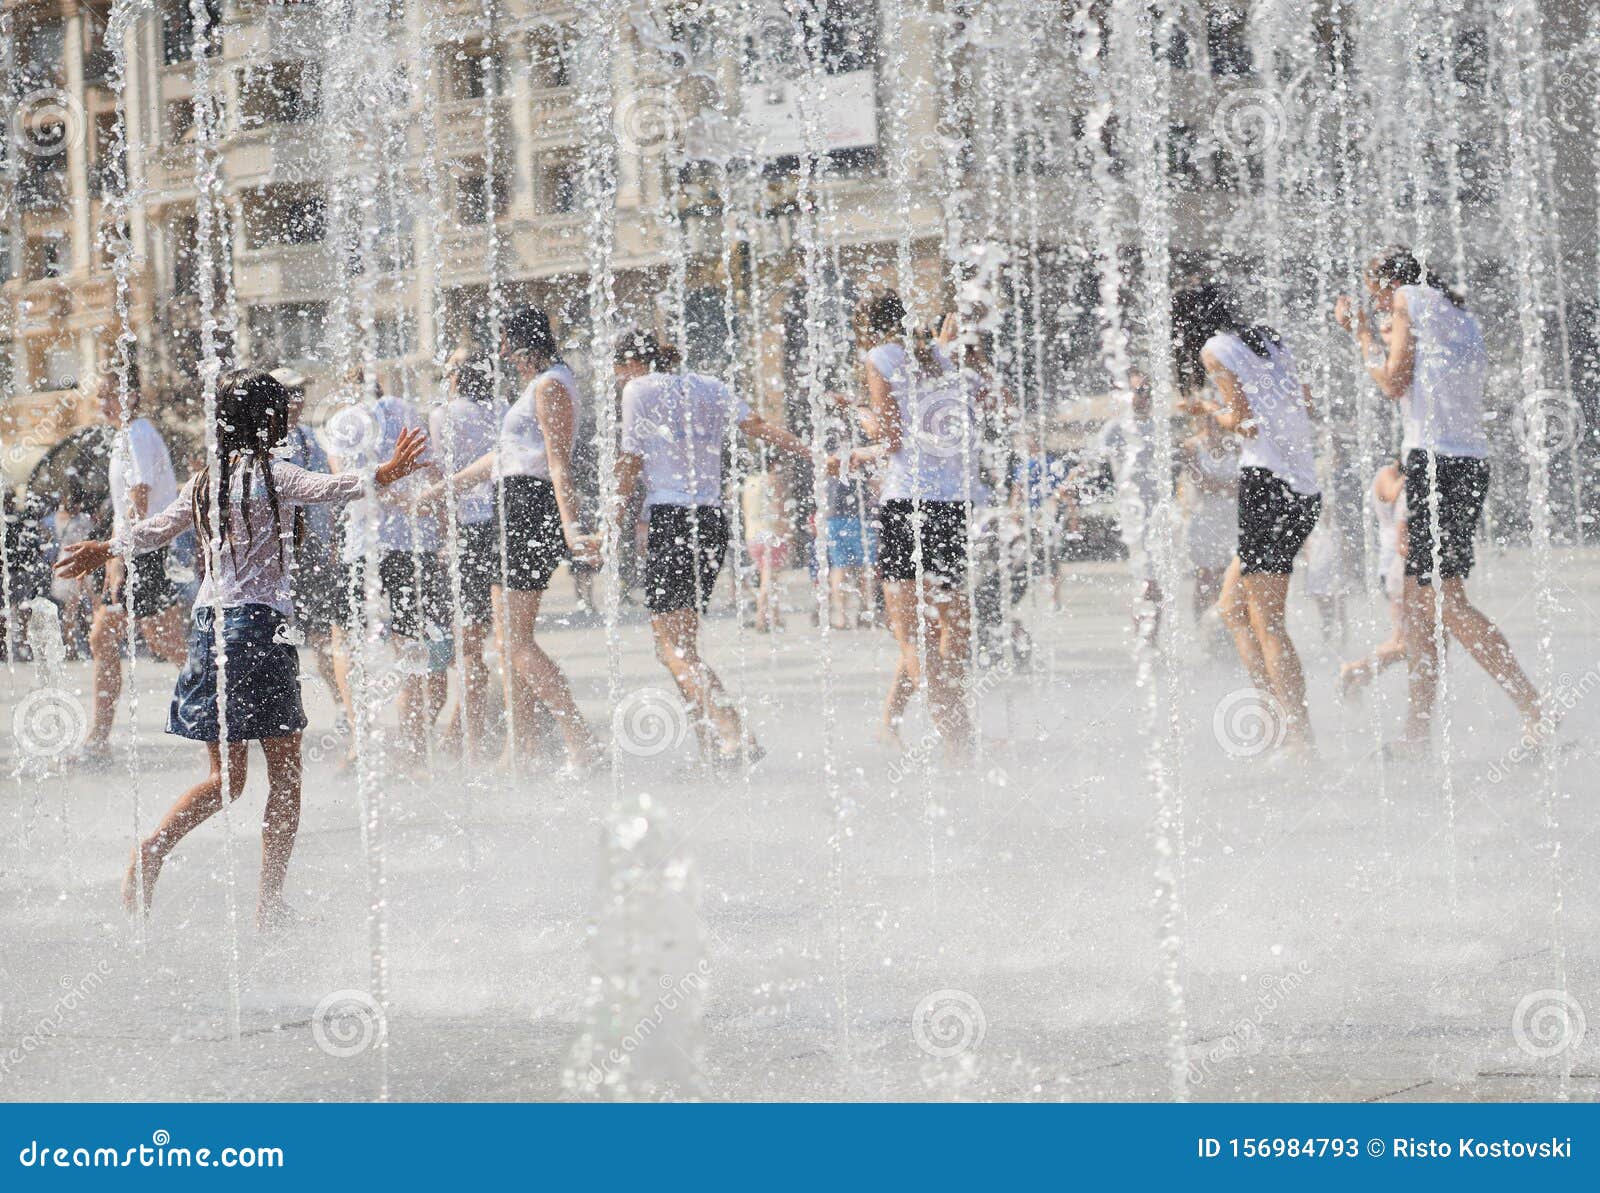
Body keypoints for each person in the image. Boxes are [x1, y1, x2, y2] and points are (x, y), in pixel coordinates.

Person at [55, 370, 428, 928]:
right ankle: (269, 903)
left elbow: (156, 529)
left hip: (209, 626)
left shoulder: (207, 479)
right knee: (285, 774)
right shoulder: (275, 475)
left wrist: (107, 545)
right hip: (259, 628)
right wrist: (388, 472)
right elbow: (332, 488)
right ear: (271, 421)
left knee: (226, 779)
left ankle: (152, 848)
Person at [1336, 247, 1543, 750]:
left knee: (1445, 601)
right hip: (1465, 462)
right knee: (1423, 605)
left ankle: (1536, 711)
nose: (1382, 308)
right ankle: (1417, 734)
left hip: (1435, 465)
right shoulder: (1457, 315)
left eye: (1377, 297)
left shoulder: (1408, 299)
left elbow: (1392, 381)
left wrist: (1362, 334)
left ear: (1389, 285)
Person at [613, 330, 807, 768]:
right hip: (711, 522)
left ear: (632, 363)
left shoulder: (638, 390)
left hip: (671, 520)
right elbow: (756, 426)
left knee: (673, 650)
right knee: (682, 646)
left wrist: (609, 524)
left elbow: (630, 461)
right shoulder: (710, 386)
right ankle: (711, 744)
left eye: (619, 368)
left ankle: (733, 732)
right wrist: (810, 452)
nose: (619, 378)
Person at [434, 308, 601, 770]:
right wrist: (443, 490)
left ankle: (581, 741)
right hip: (514, 505)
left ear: (524, 343)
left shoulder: (550, 384)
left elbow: (557, 460)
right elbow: (503, 455)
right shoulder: (539, 384)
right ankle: (521, 749)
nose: (503, 353)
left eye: (506, 342)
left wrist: (571, 527)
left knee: (515, 642)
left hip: (530, 508)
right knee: (510, 641)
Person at [1174, 283, 1321, 754]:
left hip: (1268, 487)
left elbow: (1242, 419)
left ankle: (1300, 742)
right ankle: (1273, 721)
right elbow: (1306, 403)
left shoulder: (1215, 349)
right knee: (1234, 609)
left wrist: (1204, 409)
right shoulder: (1269, 340)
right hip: (1301, 489)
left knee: (1268, 622)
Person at [848, 291, 984, 762]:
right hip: (953, 505)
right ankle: (895, 724)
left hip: (908, 502)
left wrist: (861, 436)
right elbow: (980, 407)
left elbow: (891, 440)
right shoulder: (946, 361)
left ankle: (958, 738)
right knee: (941, 626)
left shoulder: (880, 356)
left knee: (911, 635)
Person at [326, 369, 448, 767]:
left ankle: (361, 740)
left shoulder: (342, 420)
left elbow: (339, 482)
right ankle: (413, 745)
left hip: (362, 546)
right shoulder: (402, 409)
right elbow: (431, 470)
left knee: (347, 642)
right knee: (411, 641)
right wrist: (439, 525)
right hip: (415, 543)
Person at [84, 371, 189, 759]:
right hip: (137, 550)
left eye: (109, 395)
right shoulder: (125, 436)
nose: (103, 403)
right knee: (105, 638)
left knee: (164, 641)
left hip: (144, 552)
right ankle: (98, 739)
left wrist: (118, 554)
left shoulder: (137, 435)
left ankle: (226, 707)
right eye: (99, 396)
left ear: (131, 396)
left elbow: (139, 498)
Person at [428, 349, 504, 758]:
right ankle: (467, 732)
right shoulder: (503, 407)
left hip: (467, 530)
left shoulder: (445, 415)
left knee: (467, 643)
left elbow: (443, 478)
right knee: (504, 637)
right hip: (502, 526)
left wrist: (443, 535)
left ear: (456, 376)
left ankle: (470, 739)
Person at [1065, 368, 1165, 645]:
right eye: (1136, 391)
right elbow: (1091, 462)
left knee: (1157, 577)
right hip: (1136, 514)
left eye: (1146, 391)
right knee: (1149, 578)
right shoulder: (1117, 427)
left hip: (1162, 513)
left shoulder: (1160, 427)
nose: (1141, 397)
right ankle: (1146, 637)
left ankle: (1150, 636)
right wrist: (1067, 485)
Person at [271, 368, 348, 719]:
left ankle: (342, 710)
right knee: (273, 642)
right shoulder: (261, 443)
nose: (296, 401)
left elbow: (327, 495)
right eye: (289, 394)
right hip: (271, 554)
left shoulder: (308, 440)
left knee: (322, 637)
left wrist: (332, 543)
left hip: (311, 550)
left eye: (300, 393)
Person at [1340, 459, 1409, 695]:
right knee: (1405, 642)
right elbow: (1389, 495)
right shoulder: (1387, 474)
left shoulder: (1399, 476)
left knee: (1415, 642)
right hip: (1395, 564)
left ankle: (1359, 678)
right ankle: (1355, 670)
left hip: (1398, 564)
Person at [1179, 412, 1240, 631]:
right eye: (1208, 418)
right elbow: (1200, 482)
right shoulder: (1191, 446)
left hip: (1232, 518)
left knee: (1228, 575)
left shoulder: (1235, 445)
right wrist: (1229, 486)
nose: (1213, 422)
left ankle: (1224, 628)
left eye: (1217, 417)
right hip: (1203, 518)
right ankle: (1201, 628)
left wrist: (1221, 486)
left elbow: (1245, 483)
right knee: (1205, 576)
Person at [741, 462, 789, 632]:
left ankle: (774, 617)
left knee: (768, 578)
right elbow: (779, 509)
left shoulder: (749, 482)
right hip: (771, 534)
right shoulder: (773, 481)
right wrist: (787, 531)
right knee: (769, 580)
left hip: (752, 535)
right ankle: (761, 618)